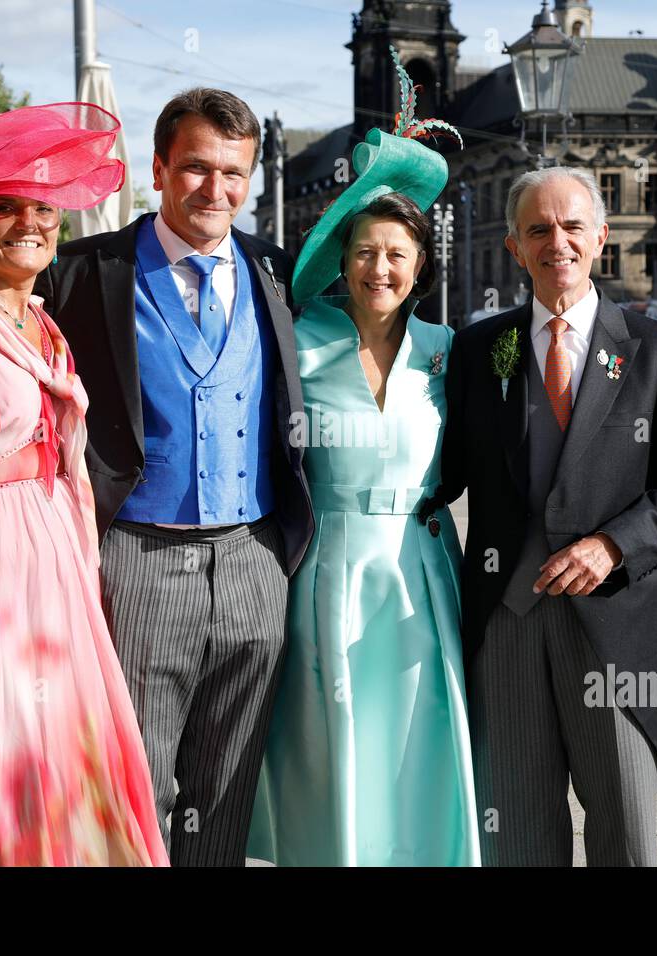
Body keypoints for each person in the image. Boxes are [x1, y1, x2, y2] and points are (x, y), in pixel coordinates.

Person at [0, 89, 313, 866]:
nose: (215, 190)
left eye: (233, 173)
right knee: (117, 778)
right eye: (194, 169)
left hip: (252, 562)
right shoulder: (81, 272)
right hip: (130, 560)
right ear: (156, 170)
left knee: (225, 790)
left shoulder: (274, 271)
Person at [0, 102, 167, 866]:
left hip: (55, 557)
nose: (27, 223)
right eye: (4, 208)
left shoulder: (43, 324)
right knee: (0, 755)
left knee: (74, 754)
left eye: (41, 209)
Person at [431, 166, 657, 866]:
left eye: (571, 226)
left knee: (625, 831)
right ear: (514, 248)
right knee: (518, 835)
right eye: (538, 230)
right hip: (505, 626)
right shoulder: (477, 350)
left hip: (612, 629)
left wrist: (611, 548)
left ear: (600, 238)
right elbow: (443, 475)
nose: (556, 241)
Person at [247, 87, 478, 866]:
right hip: (327, 566)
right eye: (366, 252)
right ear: (342, 260)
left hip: (420, 568)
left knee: (419, 737)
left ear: (420, 266)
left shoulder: (450, 351)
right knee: (332, 737)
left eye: (398, 255)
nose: (381, 268)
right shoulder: (295, 339)